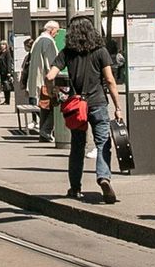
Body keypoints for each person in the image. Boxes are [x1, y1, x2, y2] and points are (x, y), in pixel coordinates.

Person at [44, 15, 123, 203]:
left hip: (77, 106)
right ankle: (103, 177)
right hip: (98, 103)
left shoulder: (67, 52)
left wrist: (53, 93)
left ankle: (75, 188)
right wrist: (118, 107)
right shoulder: (101, 51)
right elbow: (110, 80)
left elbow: (49, 76)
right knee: (103, 142)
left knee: (77, 147)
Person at [28, 21, 60, 142]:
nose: (57, 34)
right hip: (46, 81)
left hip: (38, 80)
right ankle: (46, 130)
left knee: (45, 107)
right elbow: (51, 63)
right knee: (55, 105)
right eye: (56, 31)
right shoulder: (48, 42)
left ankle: (44, 133)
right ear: (51, 30)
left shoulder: (38, 41)